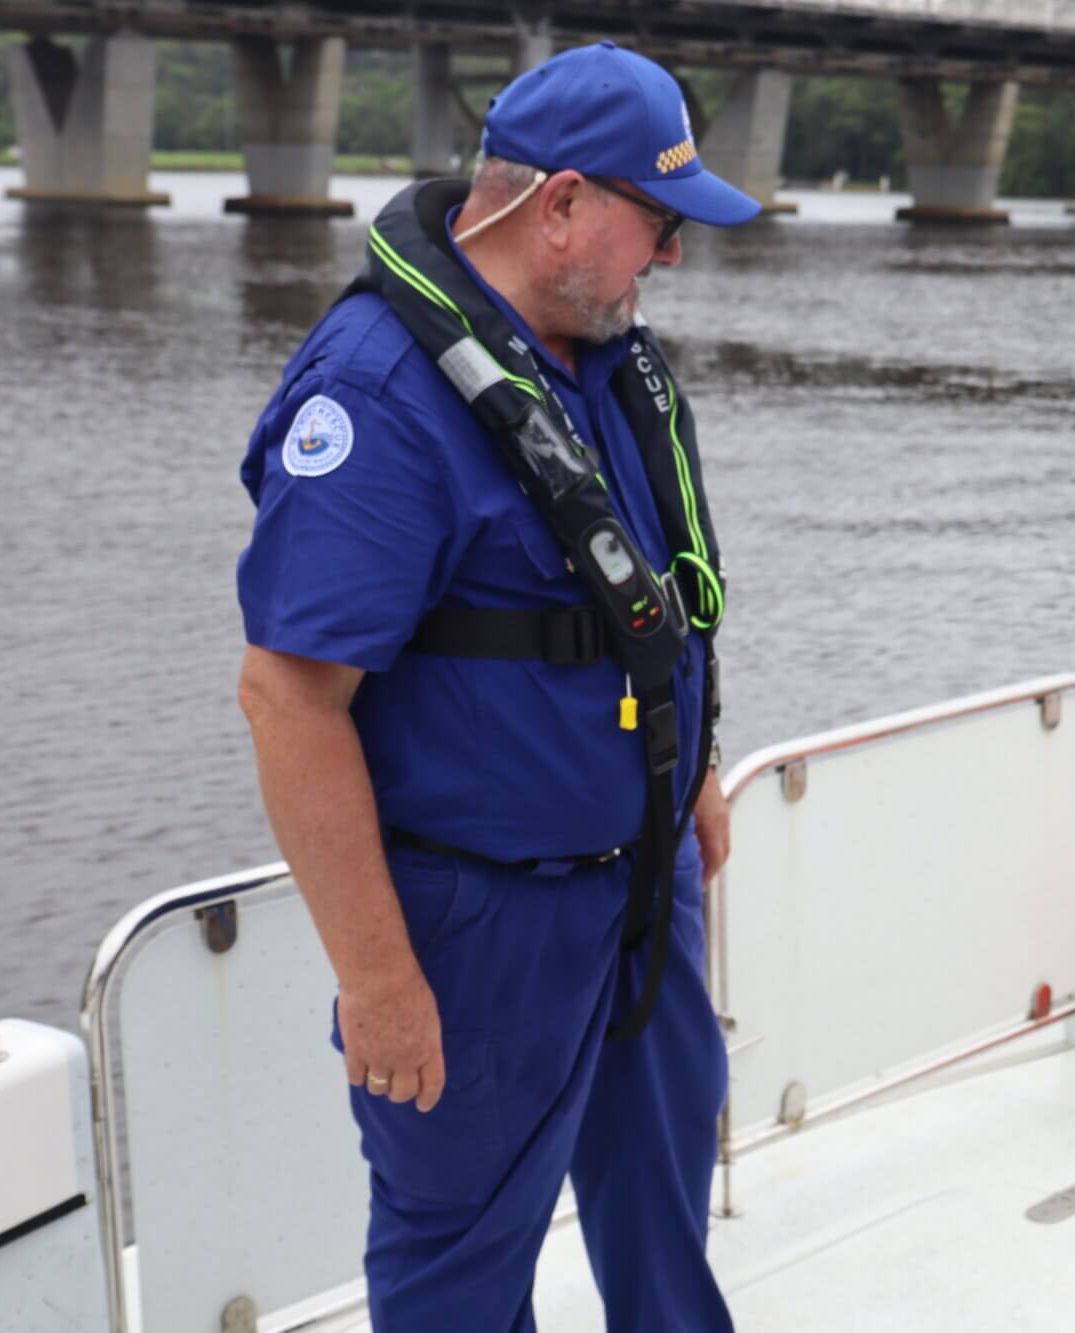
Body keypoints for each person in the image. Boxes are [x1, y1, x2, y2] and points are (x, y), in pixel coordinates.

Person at [234, 42, 755, 1331]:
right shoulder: (381, 395)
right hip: (482, 930)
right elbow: (289, 700)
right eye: (660, 221)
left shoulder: (601, 353)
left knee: (664, 1198)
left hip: (642, 883)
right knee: (458, 1270)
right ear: (562, 203)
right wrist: (379, 982)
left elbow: (643, 601)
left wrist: (685, 783)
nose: (674, 258)